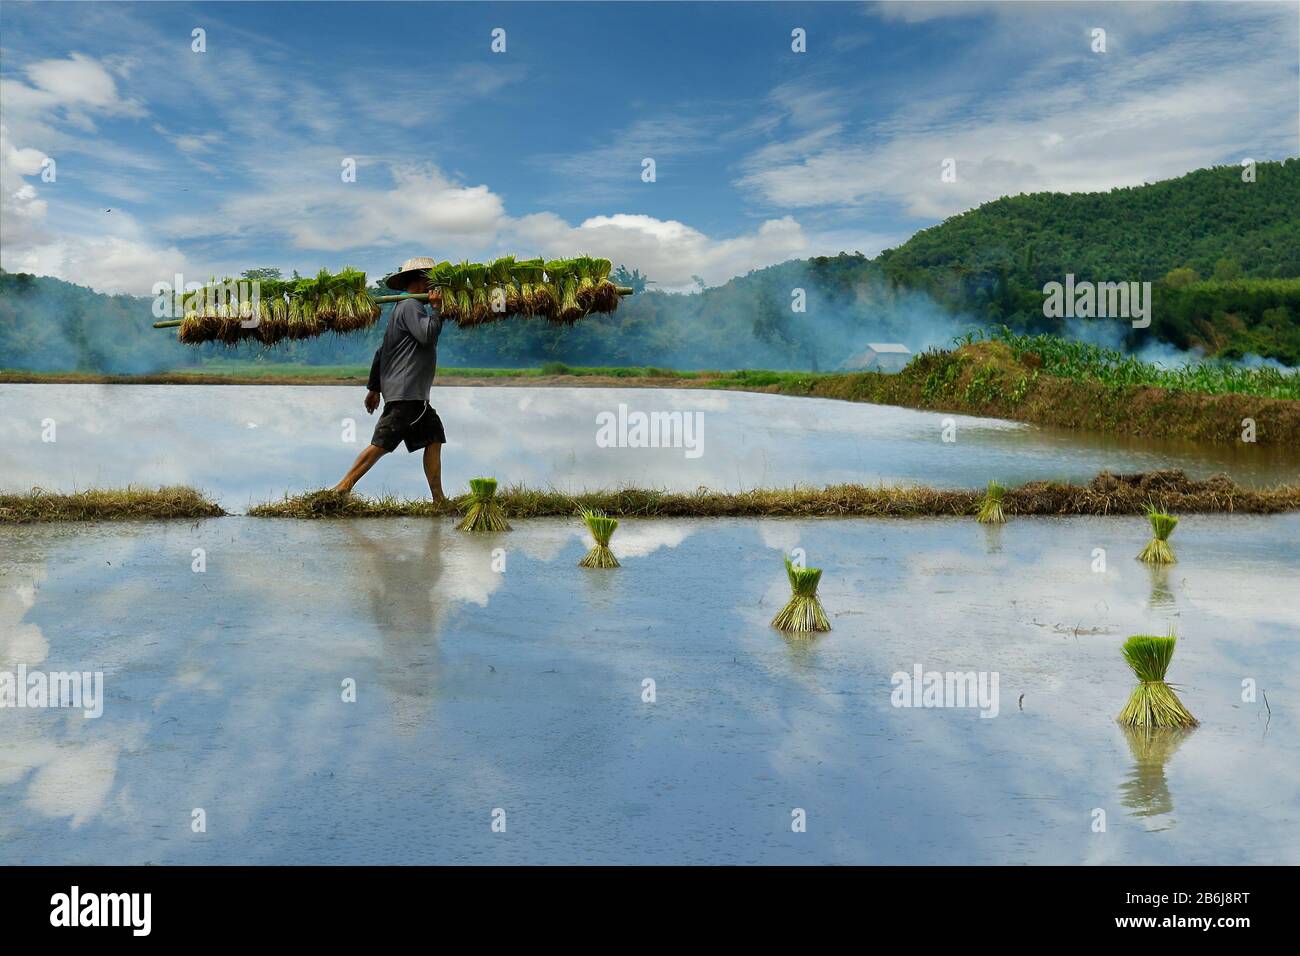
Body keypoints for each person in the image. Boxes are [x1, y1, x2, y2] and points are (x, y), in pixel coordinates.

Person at [333, 257, 447, 500]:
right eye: (431, 281)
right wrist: (437, 310)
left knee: (434, 436)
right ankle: (342, 487)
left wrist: (374, 388)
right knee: (382, 443)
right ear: (421, 280)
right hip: (407, 393)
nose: (434, 286)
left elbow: (382, 352)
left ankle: (438, 499)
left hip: (412, 394)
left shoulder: (403, 308)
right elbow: (427, 335)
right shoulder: (410, 305)